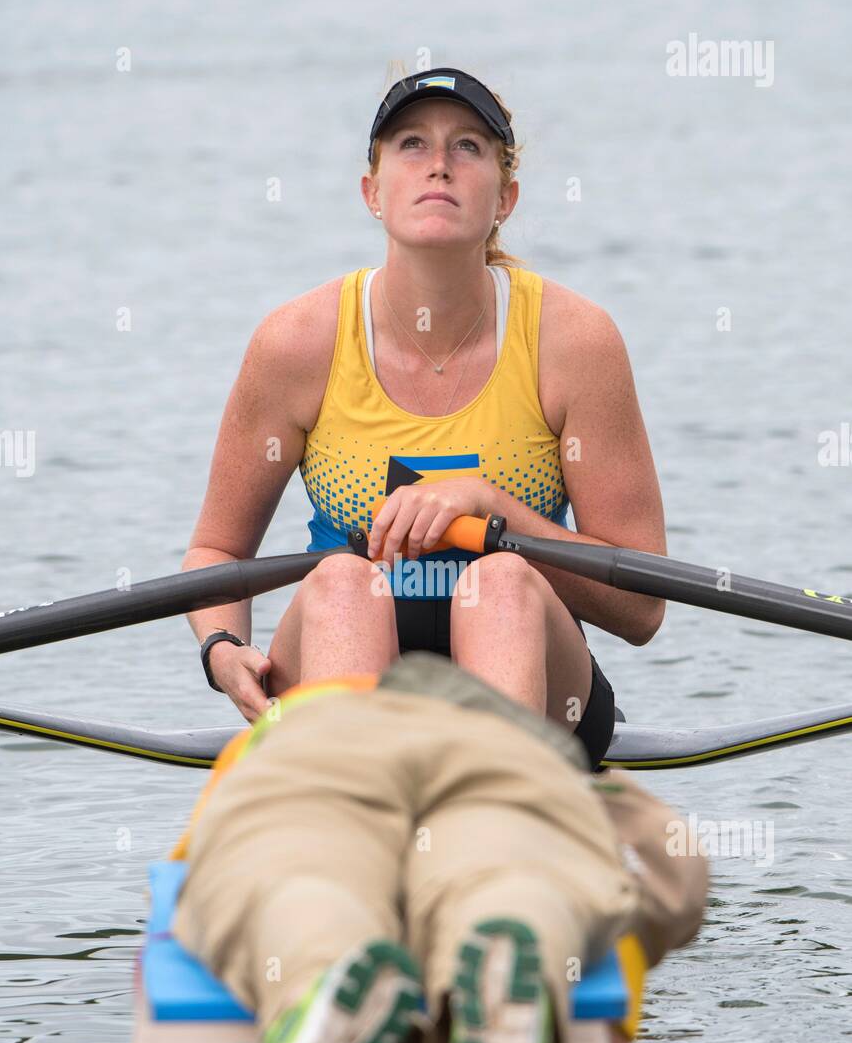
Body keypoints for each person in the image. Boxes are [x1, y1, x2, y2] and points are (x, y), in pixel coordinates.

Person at [181, 67, 667, 772]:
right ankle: (359, 811)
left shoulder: (575, 342)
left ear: (506, 198)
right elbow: (217, 555)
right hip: (347, 647)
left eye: (468, 146)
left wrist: (490, 510)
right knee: (344, 583)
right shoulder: (297, 342)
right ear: (372, 193)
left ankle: (494, 816)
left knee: (499, 584)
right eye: (411, 143)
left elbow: (643, 607)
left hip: (536, 673)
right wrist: (221, 651)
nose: (438, 163)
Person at [168, 651, 707, 1043]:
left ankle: (320, 980)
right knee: (504, 876)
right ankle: (502, 931)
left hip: (329, 732)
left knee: (296, 882)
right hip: (492, 747)